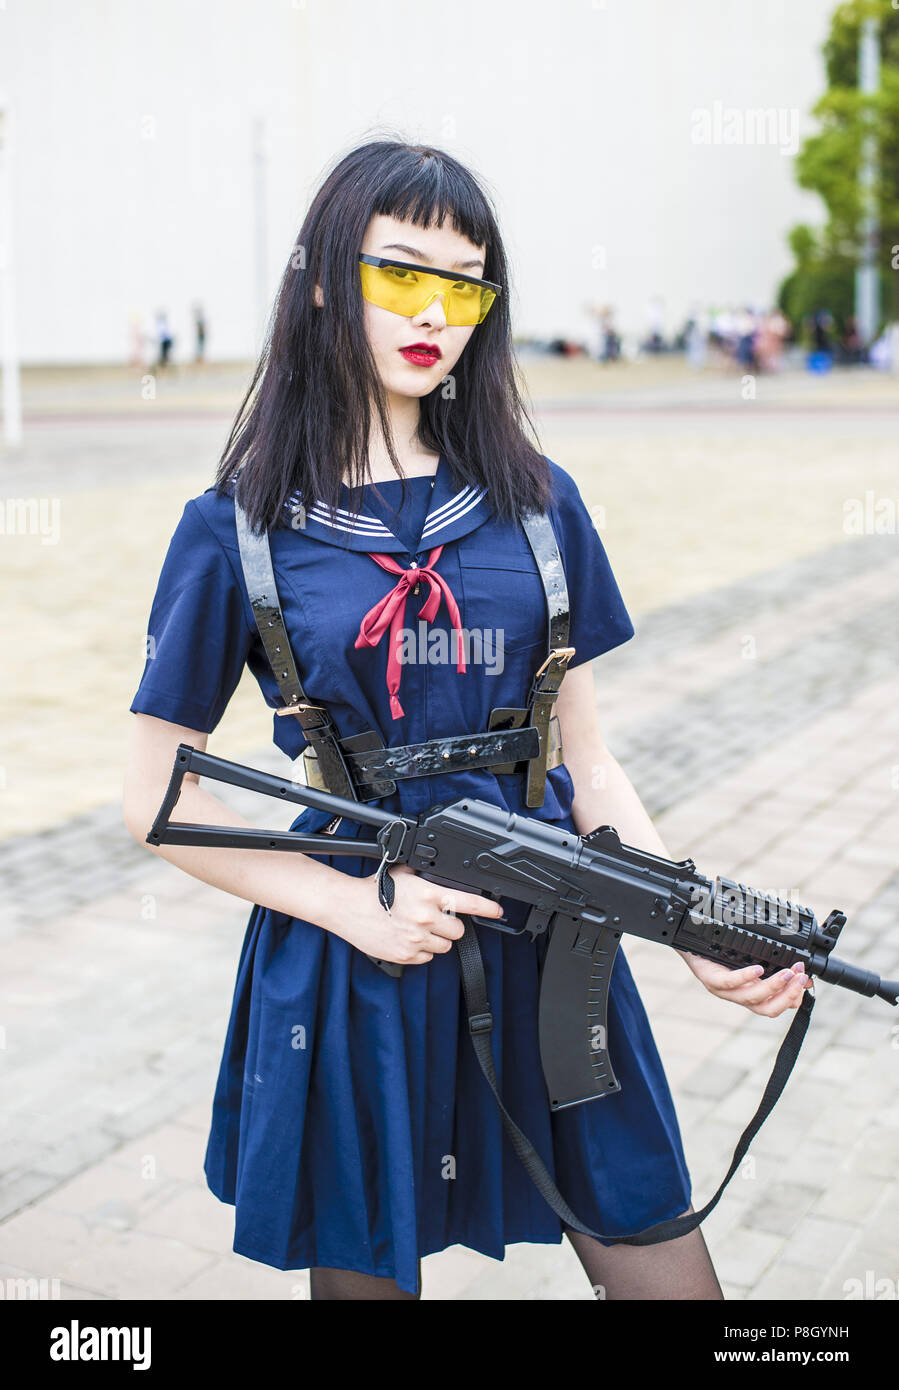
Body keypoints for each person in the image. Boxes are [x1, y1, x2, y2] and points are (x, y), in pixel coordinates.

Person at [123, 139, 812, 1301]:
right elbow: (156, 798)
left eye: (464, 283)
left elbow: (584, 763)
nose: (435, 310)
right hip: (357, 955)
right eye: (402, 272)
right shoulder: (231, 529)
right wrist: (353, 905)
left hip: (555, 943)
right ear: (327, 280)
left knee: (666, 1274)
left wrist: (688, 919)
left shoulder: (536, 501)